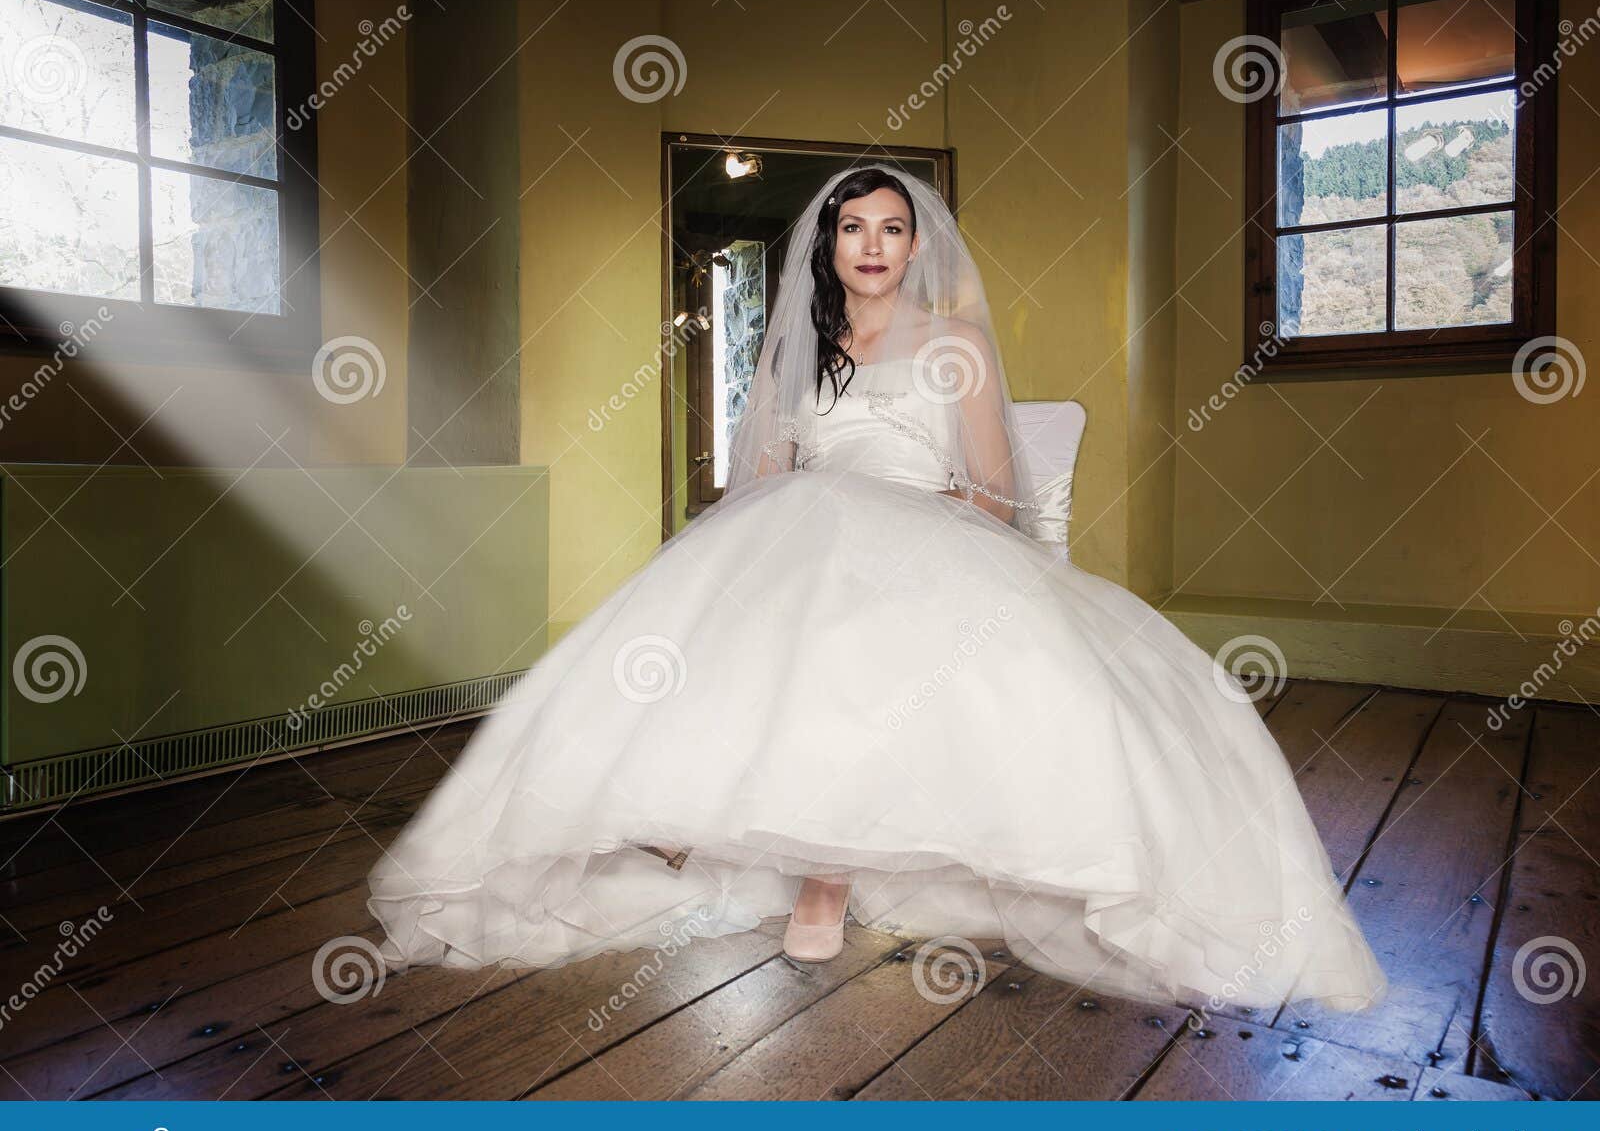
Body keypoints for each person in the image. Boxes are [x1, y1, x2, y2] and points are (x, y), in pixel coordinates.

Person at [364, 164, 1387, 1015]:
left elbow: (992, 496)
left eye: (891, 228)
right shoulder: (799, 353)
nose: (871, 243)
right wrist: (769, 540)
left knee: (884, 624)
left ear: (914, 247)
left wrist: (917, 512)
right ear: (830, 245)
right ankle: (705, 815)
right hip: (802, 525)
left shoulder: (958, 347)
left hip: (930, 528)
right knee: (757, 599)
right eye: (852, 226)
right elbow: (755, 485)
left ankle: (827, 872)